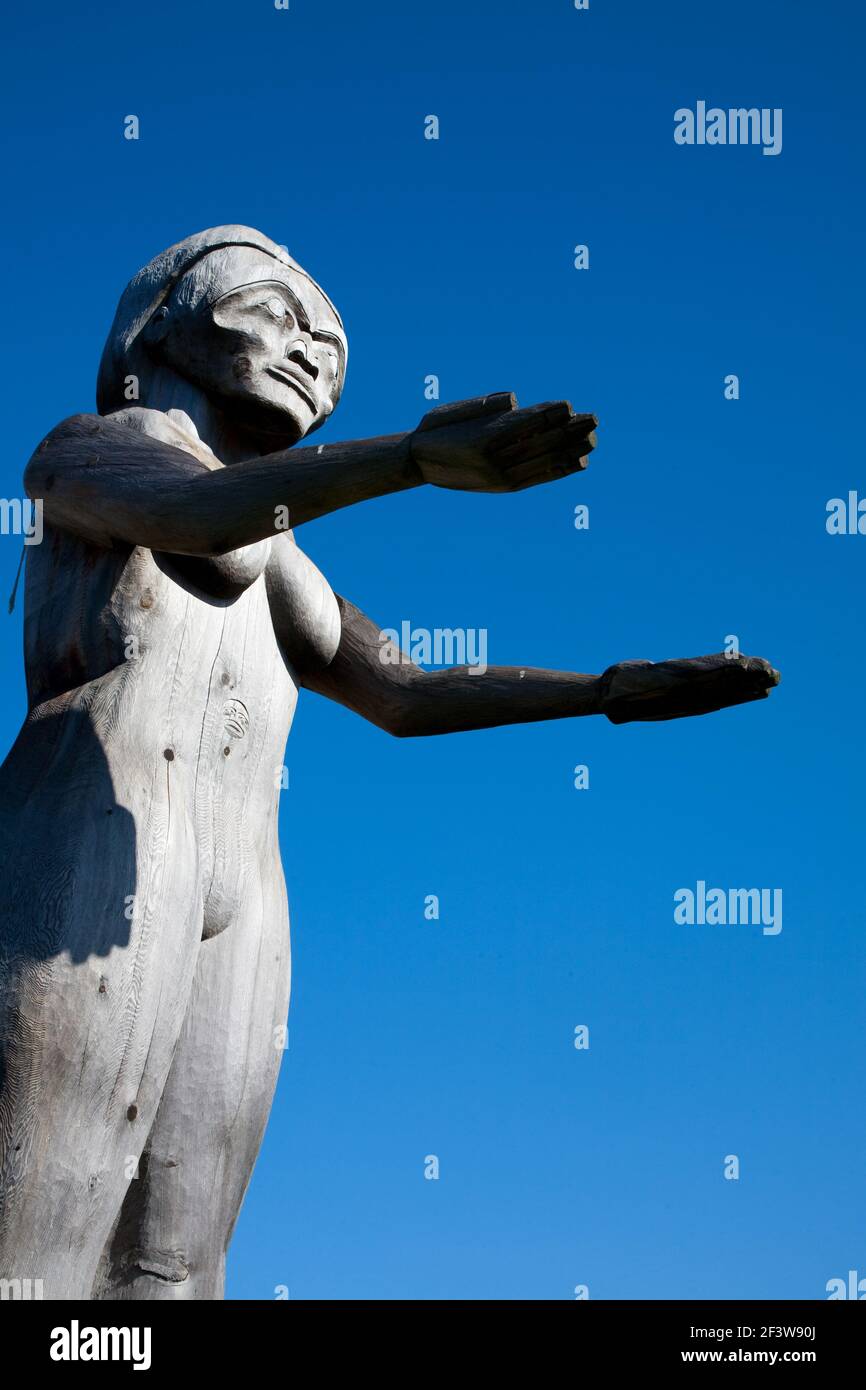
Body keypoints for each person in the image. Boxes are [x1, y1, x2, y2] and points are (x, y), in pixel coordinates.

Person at [0, 226, 779, 1299]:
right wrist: (408, 460)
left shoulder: (286, 558)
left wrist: (599, 691)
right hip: (95, 827)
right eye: (265, 310)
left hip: (246, 891)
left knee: (177, 1260)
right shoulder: (87, 449)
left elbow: (406, 694)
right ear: (163, 317)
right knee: (44, 1215)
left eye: (327, 342)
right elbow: (193, 517)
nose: (307, 350)